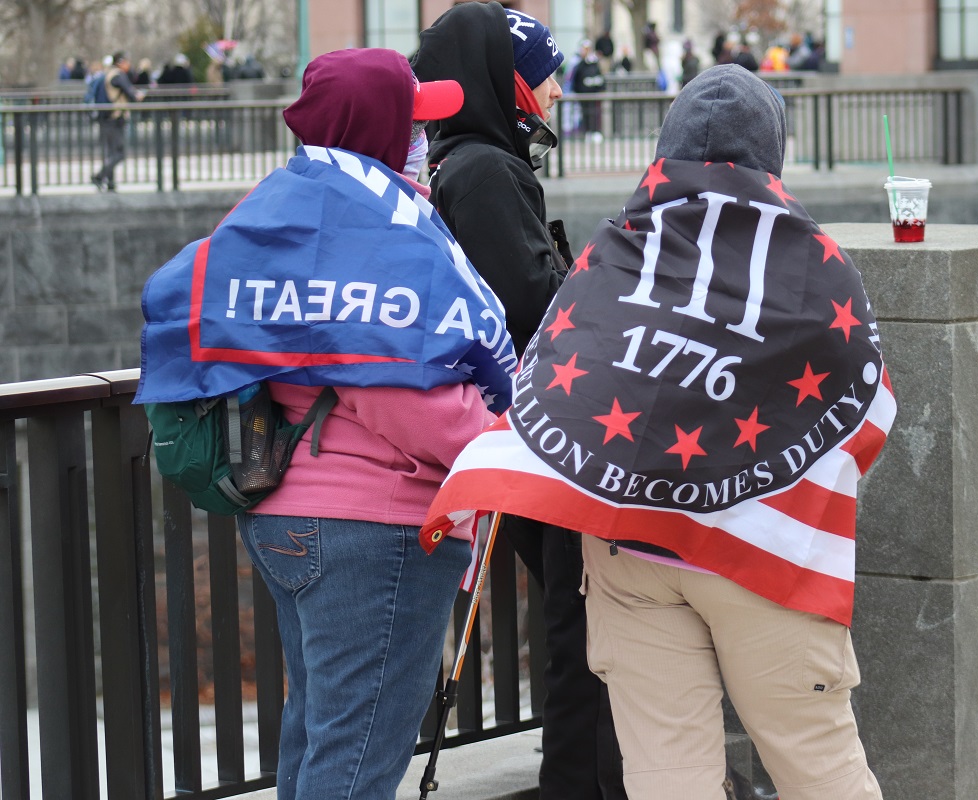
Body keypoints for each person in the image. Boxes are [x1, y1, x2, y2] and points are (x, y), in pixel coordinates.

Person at [420, 63, 894, 799]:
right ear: (772, 151)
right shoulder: (811, 264)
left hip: (630, 550)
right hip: (758, 553)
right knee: (819, 765)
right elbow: (865, 406)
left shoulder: (617, 247)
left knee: (667, 778)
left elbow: (556, 371)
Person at [139, 48, 511, 800]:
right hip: (374, 528)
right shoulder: (370, 232)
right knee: (355, 761)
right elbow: (400, 394)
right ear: (376, 128)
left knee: (319, 738)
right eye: (412, 123)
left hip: (288, 511)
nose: (422, 139)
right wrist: (506, 442)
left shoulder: (283, 208)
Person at [413, 5, 629, 799]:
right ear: (505, 84)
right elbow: (533, 303)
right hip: (542, 427)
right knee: (583, 618)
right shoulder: (486, 171)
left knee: (580, 614)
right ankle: (584, 780)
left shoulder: (459, 161)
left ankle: (586, 774)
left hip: (515, 426)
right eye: (543, 78)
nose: (555, 93)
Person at [91, 52, 145, 192]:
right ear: (121, 62)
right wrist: (138, 96)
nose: (129, 64)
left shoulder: (108, 73)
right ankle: (99, 176)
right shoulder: (118, 75)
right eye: (127, 61)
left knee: (112, 152)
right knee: (120, 153)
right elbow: (131, 93)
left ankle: (110, 182)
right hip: (115, 117)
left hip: (106, 116)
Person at [570, 39, 606, 139]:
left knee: (595, 113)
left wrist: (597, 84)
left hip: (594, 94)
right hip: (583, 94)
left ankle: (595, 131)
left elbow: (599, 76)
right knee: (585, 113)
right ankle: (587, 131)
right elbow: (576, 79)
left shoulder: (594, 62)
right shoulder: (579, 63)